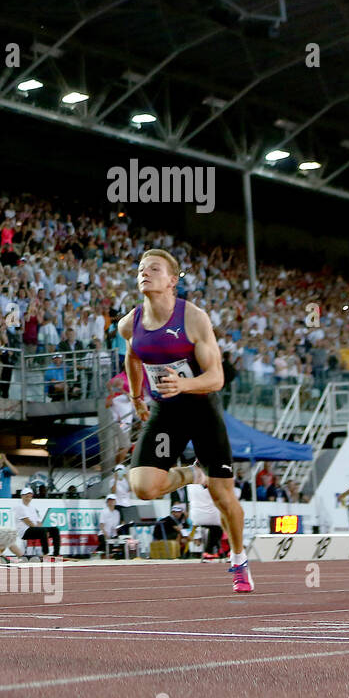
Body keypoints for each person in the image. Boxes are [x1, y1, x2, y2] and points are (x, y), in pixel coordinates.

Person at [119, 249, 250, 592]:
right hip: (167, 413)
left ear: (172, 280)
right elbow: (133, 357)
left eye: (154, 269)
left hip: (202, 408)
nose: (145, 273)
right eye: (141, 269)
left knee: (224, 497)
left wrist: (184, 384)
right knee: (143, 487)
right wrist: (136, 397)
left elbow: (217, 378)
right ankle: (193, 473)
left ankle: (238, 560)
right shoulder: (129, 323)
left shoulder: (193, 319)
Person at [14, 486, 61, 560]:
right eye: (26, 496)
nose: (28, 498)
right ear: (22, 496)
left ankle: (56, 554)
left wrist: (43, 530)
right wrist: (42, 531)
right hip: (24, 531)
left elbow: (39, 522)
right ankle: (46, 553)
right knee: (43, 531)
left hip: (34, 530)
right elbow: (28, 522)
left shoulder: (33, 508)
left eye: (30, 497)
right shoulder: (20, 507)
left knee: (55, 530)